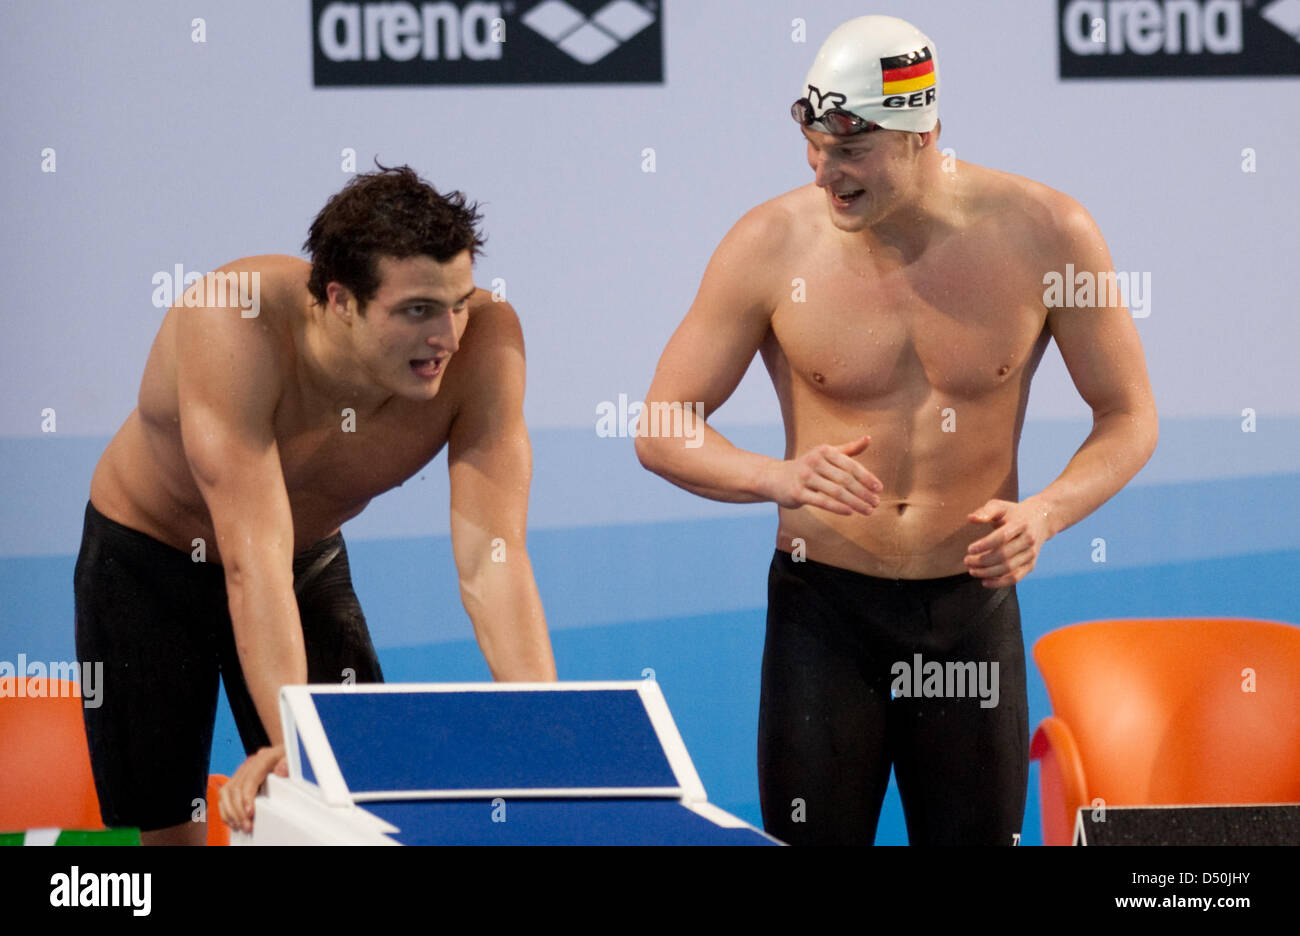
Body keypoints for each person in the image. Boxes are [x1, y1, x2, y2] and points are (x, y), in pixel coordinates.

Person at [635, 16, 1157, 845]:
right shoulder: (770, 246)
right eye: (812, 146)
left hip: (969, 613)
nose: (824, 175)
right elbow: (661, 425)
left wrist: (1046, 513)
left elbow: (1128, 415)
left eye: (850, 151)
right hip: (824, 613)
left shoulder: (1050, 235)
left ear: (923, 134)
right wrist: (776, 477)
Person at [74, 165, 557, 844]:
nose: (446, 334)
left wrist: (544, 723)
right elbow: (250, 558)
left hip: (299, 563)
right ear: (339, 299)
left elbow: (492, 554)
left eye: (459, 301)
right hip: (149, 563)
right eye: (416, 310)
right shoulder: (234, 320)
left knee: (354, 805)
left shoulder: (486, 344)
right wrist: (293, 740)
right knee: (167, 834)